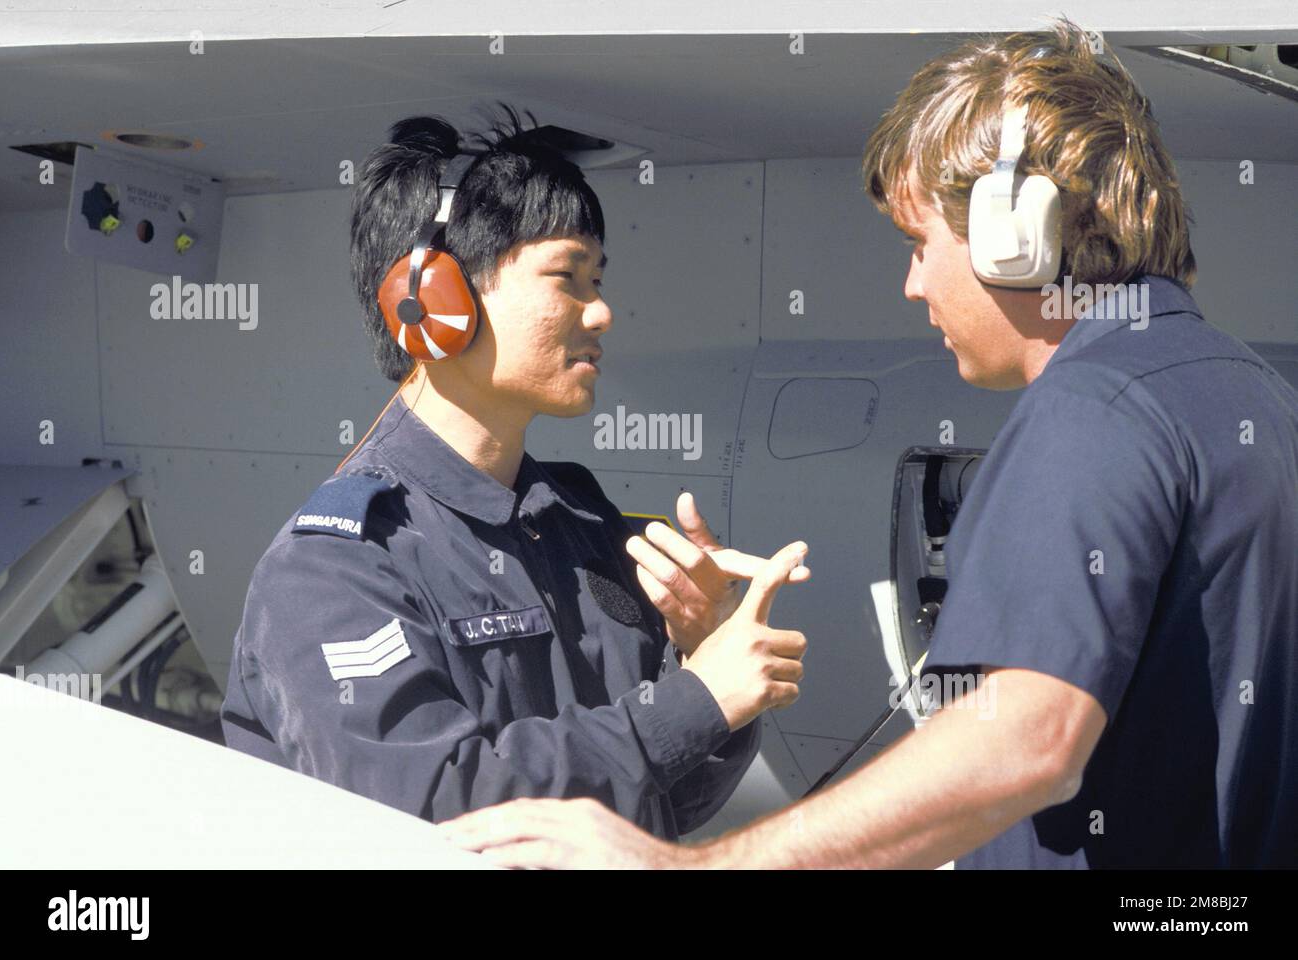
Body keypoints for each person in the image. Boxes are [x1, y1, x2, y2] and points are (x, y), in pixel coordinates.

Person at [440, 24, 1298, 868]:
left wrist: (701, 868)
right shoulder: (1253, 394)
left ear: (1016, 234)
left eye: (921, 245)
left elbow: (1030, 736)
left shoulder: (1089, 410)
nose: (913, 284)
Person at [219, 108, 811, 839]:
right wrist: (696, 699)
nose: (601, 314)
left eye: (598, 281)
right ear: (435, 300)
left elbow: (666, 806)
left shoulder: (583, 526)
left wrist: (702, 646)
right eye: (568, 277)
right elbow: (430, 814)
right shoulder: (331, 571)